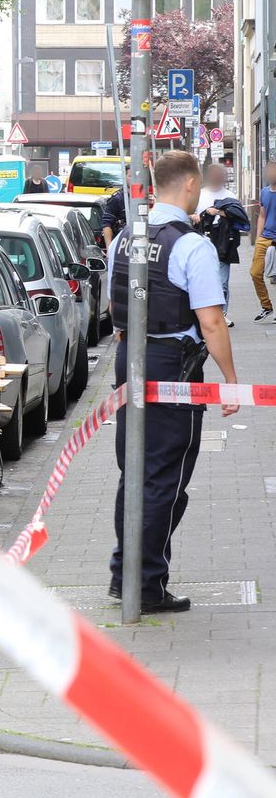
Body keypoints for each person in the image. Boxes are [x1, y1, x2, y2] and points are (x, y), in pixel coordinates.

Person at [106, 150, 240, 614]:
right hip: (173, 367)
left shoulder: (125, 237)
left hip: (130, 362)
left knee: (135, 470)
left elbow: (114, 313)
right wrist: (230, 380)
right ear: (188, 184)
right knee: (166, 477)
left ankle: (123, 572)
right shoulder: (191, 245)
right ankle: (145, 584)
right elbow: (212, 322)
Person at [193, 160, 250, 322]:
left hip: (224, 242)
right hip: (203, 240)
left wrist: (218, 211)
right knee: (204, 279)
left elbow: (241, 220)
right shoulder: (201, 194)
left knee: (222, 281)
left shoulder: (230, 196)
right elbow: (191, 214)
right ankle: (206, 313)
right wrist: (196, 217)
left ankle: (222, 314)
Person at [252, 159, 276, 321]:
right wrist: (258, 237)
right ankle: (266, 306)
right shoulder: (264, 192)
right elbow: (262, 215)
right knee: (255, 273)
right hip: (265, 237)